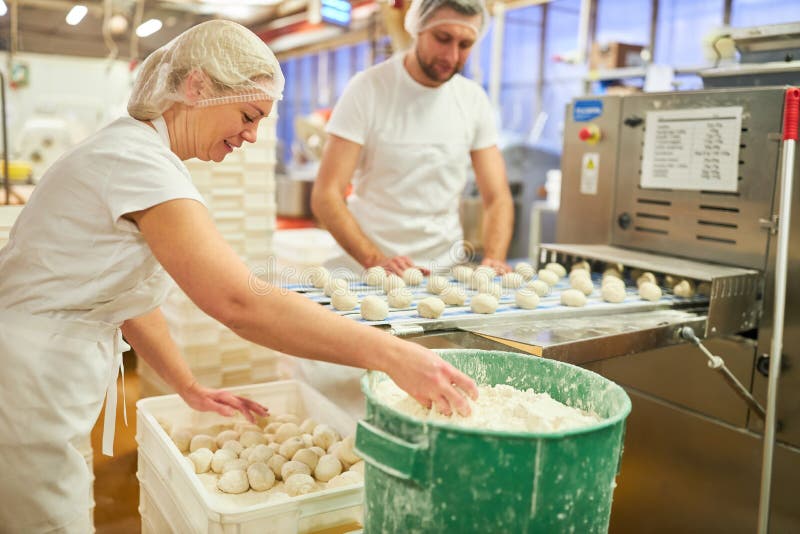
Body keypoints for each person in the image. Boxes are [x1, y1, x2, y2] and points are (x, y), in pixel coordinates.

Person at [0, 20, 477, 533]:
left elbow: (129, 299)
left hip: (47, 376)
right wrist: (393, 355)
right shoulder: (136, 162)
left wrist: (188, 386)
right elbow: (239, 302)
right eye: (248, 116)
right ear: (197, 86)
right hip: (31, 379)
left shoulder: (141, 155)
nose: (251, 136)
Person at [311, 0, 514, 277]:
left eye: (465, 44)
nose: (452, 56)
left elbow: (497, 197)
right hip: (364, 273)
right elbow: (326, 195)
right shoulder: (368, 89)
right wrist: (376, 260)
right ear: (418, 28)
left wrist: (494, 258)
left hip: (441, 275)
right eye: (443, 38)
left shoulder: (473, 100)